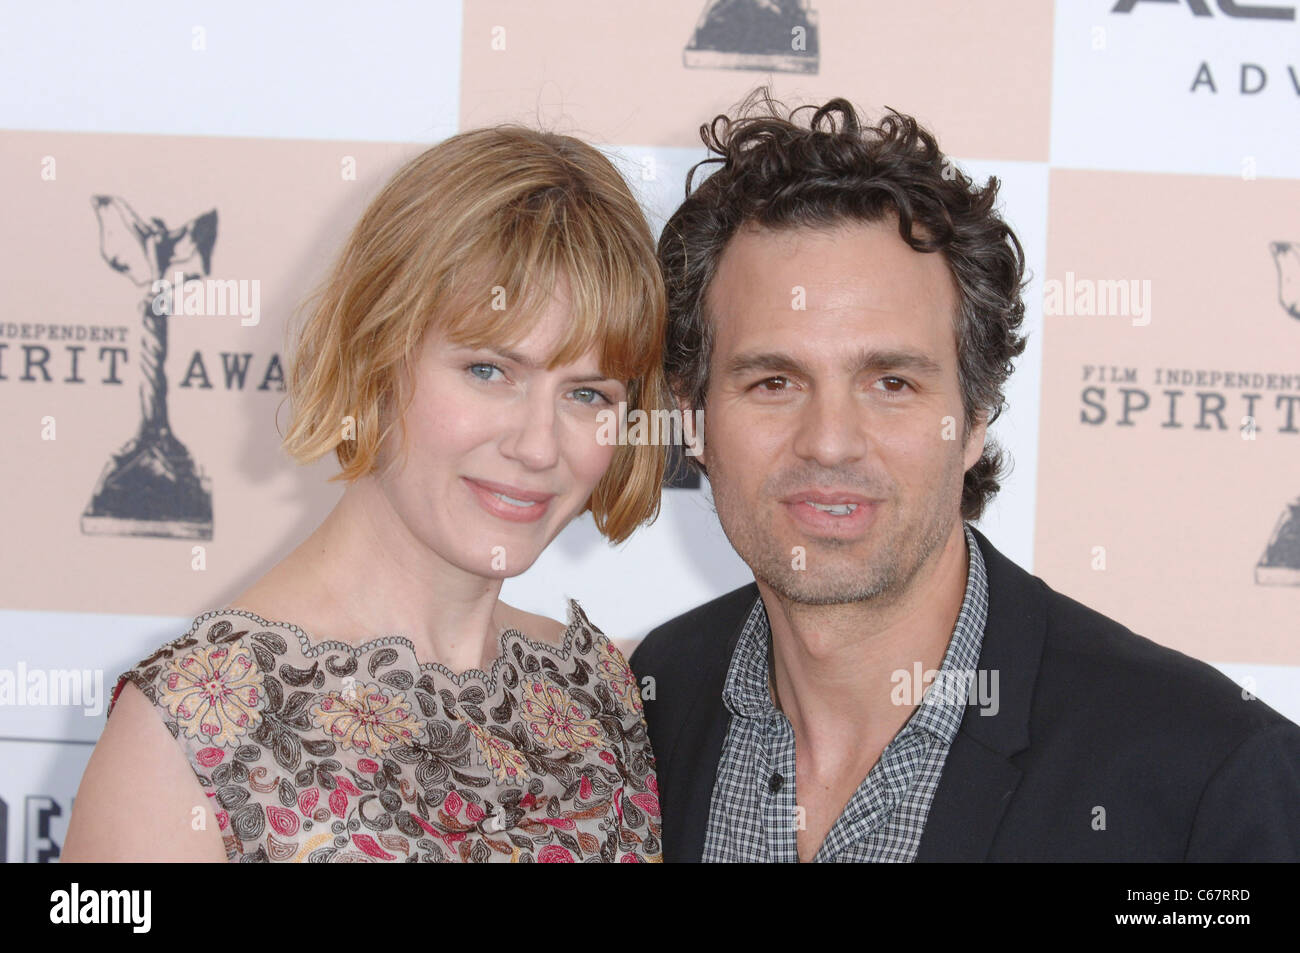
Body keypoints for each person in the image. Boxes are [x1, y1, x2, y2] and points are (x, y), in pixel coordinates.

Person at [630, 90, 1300, 862]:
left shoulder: (1204, 778)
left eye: (892, 383)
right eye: (773, 382)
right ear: (693, 417)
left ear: (976, 415)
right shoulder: (653, 702)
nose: (831, 443)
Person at [63, 126, 669, 863]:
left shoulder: (596, 687)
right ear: (375, 354)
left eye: (585, 392)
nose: (538, 445)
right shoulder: (188, 733)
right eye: (488, 371)